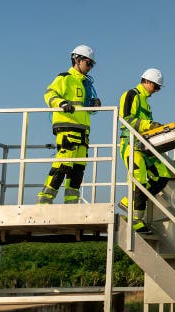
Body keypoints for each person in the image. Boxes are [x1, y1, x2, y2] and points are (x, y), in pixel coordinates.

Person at [37, 45, 101, 204]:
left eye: (92, 64)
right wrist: (62, 103)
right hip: (67, 128)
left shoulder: (86, 84)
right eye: (88, 63)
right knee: (63, 164)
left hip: (83, 131)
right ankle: (45, 199)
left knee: (78, 169)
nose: (90, 68)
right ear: (77, 60)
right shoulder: (65, 78)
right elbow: (49, 94)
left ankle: (71, 202)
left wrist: (94, 105)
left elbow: (86, 109)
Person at [117, 68, 172, 234]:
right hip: (131, 145)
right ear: (147, 82)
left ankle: (128, 200)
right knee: (139, 180)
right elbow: (125, 119)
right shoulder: (131, 95)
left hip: (144, 147)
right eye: (156, 87)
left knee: (163, 175)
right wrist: (151, 125)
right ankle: (136, 221)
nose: (156, 91)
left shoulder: (145, 102)